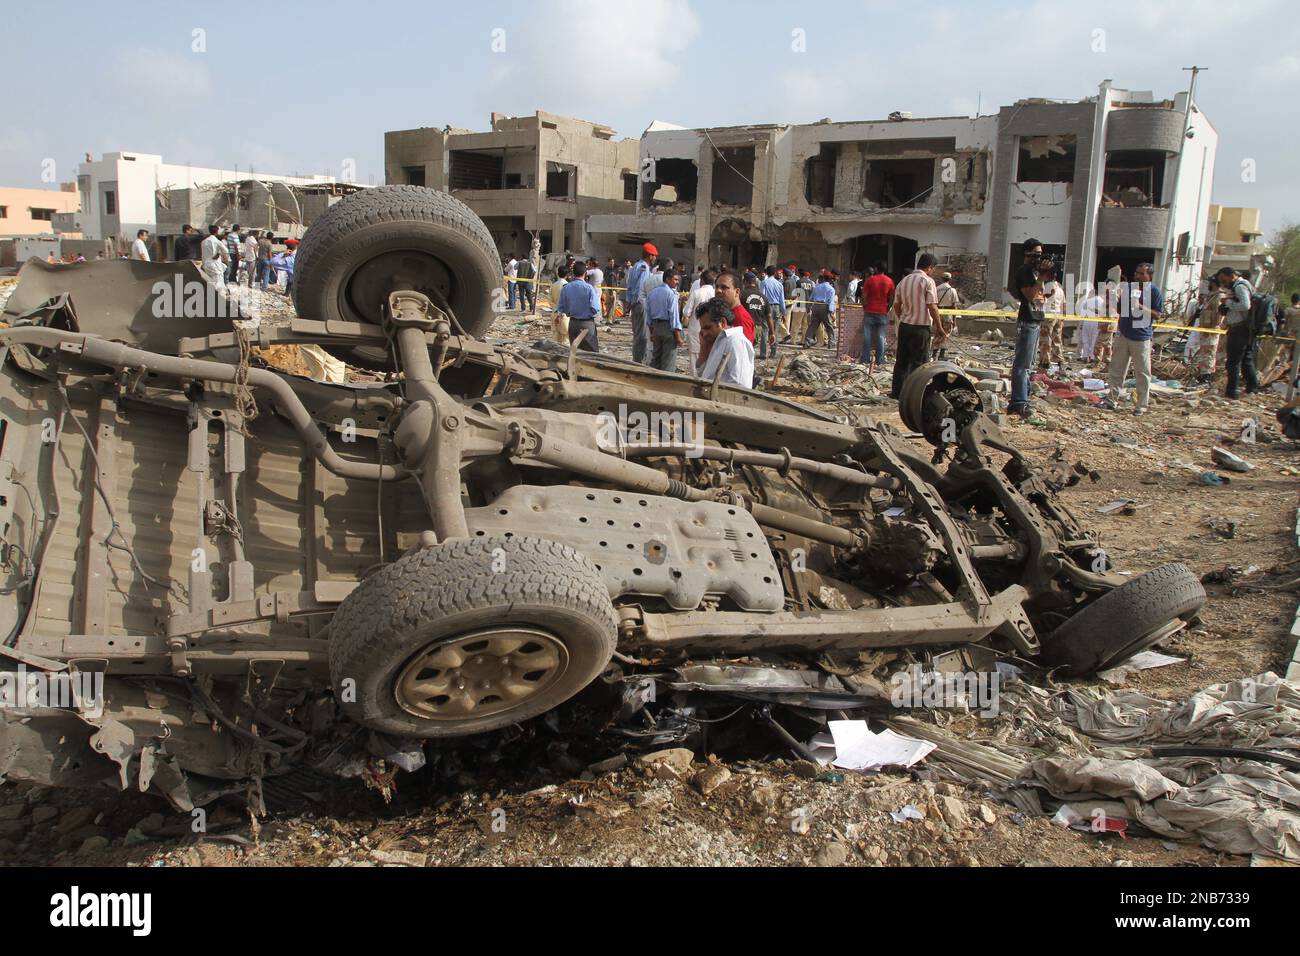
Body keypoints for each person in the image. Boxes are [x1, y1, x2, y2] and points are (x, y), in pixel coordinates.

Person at [1103, 261, 1162, 416]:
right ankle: (1111, 400)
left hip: (1141, 337)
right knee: (1117, 369)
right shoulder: (1129, 288)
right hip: (1124, 334)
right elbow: (1120, 309)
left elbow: (1158, 314)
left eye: (1142, 273)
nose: (1138, 276)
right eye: (1137, 273)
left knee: (1142, 372)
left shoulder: (1154, 292)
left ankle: (1141, 405)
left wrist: (1141, 307)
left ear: (1149, 275)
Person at [890, 253, 945, 399]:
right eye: (933, 269)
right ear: (929, 267)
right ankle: (915, 394)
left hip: (905, 326)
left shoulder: (904, 281)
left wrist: (903, 316)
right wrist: (939, 327)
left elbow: (896, 305)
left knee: (901, 361)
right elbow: (932, 306)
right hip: (921, 327)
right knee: (919, 362)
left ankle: (897, 392)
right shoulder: (927, 281)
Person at [1008, 238, 1045, 417]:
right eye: (1036, 254)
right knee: (1022, 364)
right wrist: (1042, 279)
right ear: (1027, 254)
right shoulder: (1023, 271)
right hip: (1028, 321)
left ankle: (1024, 398)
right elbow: (1030, 295)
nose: (1039, 258)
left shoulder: (1034, 273)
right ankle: (1018, 401)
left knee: (1028, 364)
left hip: (1035, 320)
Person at [1217, 266, 1258, 399]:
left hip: (1240, 328)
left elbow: (1245, 306)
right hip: (1245, 329)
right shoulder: (1243, 285)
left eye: (1224, 280)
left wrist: (1228, 302)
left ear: (1231, 276)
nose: (1224, 283)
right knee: (1246, 360)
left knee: (1233, 362)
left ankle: (1232, 391)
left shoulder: (1240, 286)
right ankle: (1253, 387)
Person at [697, 297, 754, 388]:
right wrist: (703, 348)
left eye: (708, 328)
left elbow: (740, 386)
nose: (704, 334)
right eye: (702, 329)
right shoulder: (720, 341)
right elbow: (703, 375)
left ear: (723, 322)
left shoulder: (736, 342)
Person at [647, 269, 685, 371]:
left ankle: (651, 381)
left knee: (656, 359)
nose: (677, 282)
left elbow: (649, 315)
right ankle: (665, 384)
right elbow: (674, 317)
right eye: (675, 279)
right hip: (668, 329)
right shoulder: (670, 294)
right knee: (668, 361)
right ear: (668, 279)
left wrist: (652, 332)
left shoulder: (652, 293)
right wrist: (678, 337)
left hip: (656, 328)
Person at [557, 266, 601, 352]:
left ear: (573, 274)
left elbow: (561, 307)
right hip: (587, 323)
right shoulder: (589, 288)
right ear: (585, 274)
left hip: (573, 323)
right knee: (592, 353)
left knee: (575, 352)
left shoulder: (566, 288)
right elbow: (595, 308)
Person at [625, 243, 656, 364]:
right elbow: (640, 287)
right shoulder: (644, 267)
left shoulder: (636, 266)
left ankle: (636, 360)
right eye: (654, 256)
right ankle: (639, 362)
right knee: (642, 336)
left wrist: (629, 303)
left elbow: (629, 286)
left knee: (637, 333)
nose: (655, 258)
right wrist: (639, 302)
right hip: (641, 304)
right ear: (650, 256)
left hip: (635, 303)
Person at [859, 261, 894, 369]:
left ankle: (865, 358)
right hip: (882, 312)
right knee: (881, 336)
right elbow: (892, 298)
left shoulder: (870, 280)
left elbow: (864, 296)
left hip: (870, 311)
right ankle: (880, 360)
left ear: (877, 269)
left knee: (867, 336)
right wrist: (888, 308)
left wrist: (865, 307)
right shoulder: (889, 281)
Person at [683, 268, 716, 378]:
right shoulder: (716, 294)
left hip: (695, 329)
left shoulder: (696, 293)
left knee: (694, 356)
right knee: (711, 355)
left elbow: (686, 311)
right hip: (713, 330)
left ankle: (695, 381)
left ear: (701, 280)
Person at [1036, 260, 1067, 371]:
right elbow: (1064, 303)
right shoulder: (1060, 288)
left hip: (1048, 315)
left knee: (1045, 339)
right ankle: (1059, 360)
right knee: (1057, 339)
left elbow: (1041, 299)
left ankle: (1045, 362)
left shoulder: (1048, 286)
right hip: (1057, 315)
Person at [713, 270, 755, 344]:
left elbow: (742, 350)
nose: (718, 290)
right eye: (717, 286)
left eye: (724, 287)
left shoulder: (741, 318)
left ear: (737, 292)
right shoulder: (725, 312)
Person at [805, 271, 838, 348]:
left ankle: (807, 341)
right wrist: (831, 312)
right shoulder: (831, 289)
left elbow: (811, 298)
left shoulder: (817, 287)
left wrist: (808, 307)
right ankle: (831, 342)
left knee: (813, 325)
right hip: (825, 307)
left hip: (815, 306)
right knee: (829, 326)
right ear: (830, 280)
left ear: (823, 278)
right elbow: (831, 301)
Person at [933, 271, 961, 361]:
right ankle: (941, 354)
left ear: (942, 279)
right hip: (947, 314)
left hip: (937, 313)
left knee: (937, 333)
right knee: (946, 333)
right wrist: (955, 320)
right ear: (950, 280)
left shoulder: (936, 289)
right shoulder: (952, 290)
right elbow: (954, 306)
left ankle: (934, 354)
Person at [759, 266, 785, 360]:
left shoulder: (764, 283)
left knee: (765, 330)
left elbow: (763, 296)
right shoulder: (779, 284)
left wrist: (761, 310)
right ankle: (773, 353)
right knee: (775, 329)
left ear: (766, 273)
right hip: (777, 307)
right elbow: (782, 299)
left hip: (767, 306)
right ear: (774, 273)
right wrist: (784, 312)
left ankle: (763, 353)